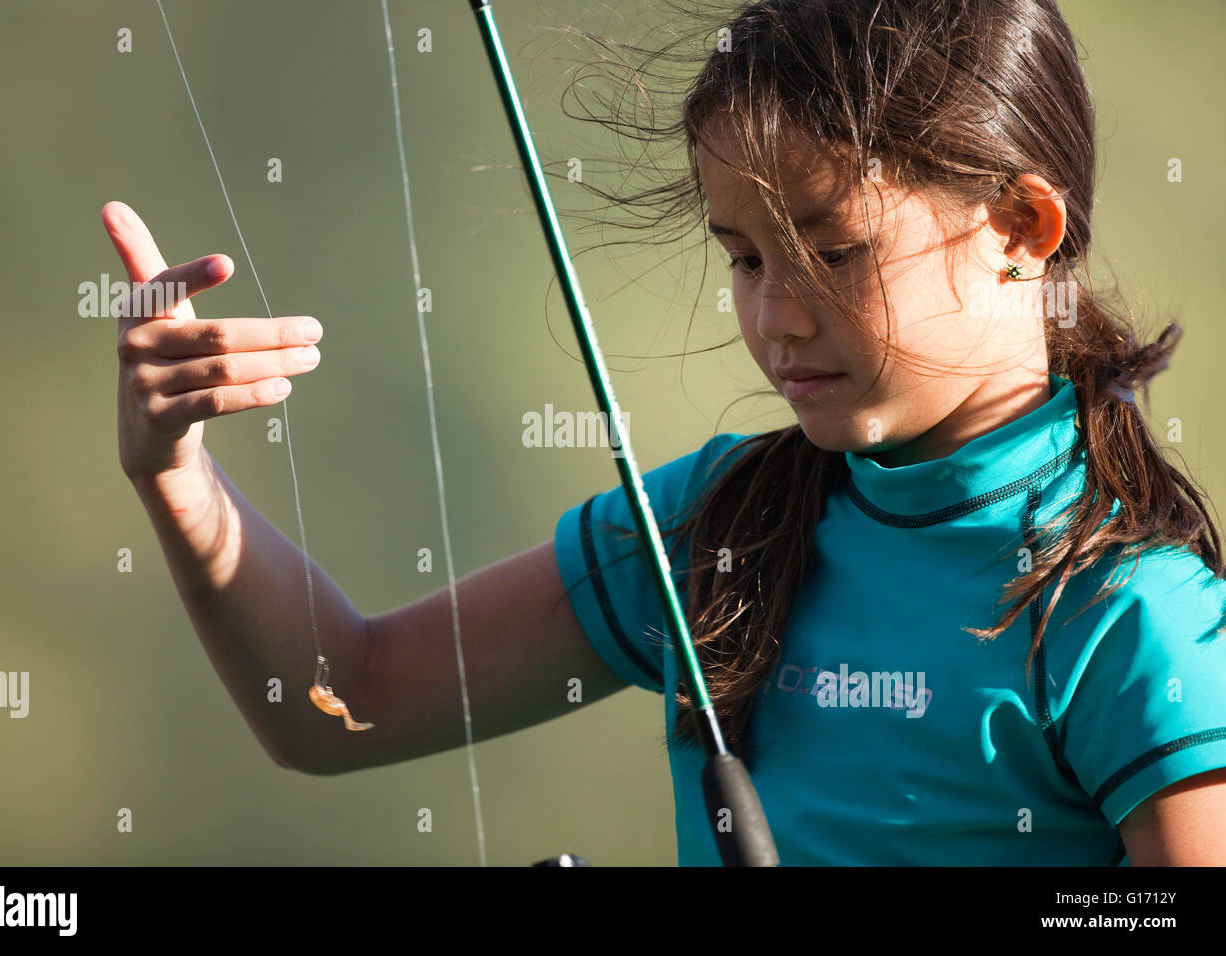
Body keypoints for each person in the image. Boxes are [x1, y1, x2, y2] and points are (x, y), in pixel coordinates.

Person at [103, 0, 1226, 865]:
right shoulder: (718, 527)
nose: (777, 317)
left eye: (832, 251)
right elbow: (342, 700)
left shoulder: (1131, 613)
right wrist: (176, 473)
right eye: (744, 257)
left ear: (1021, 227)